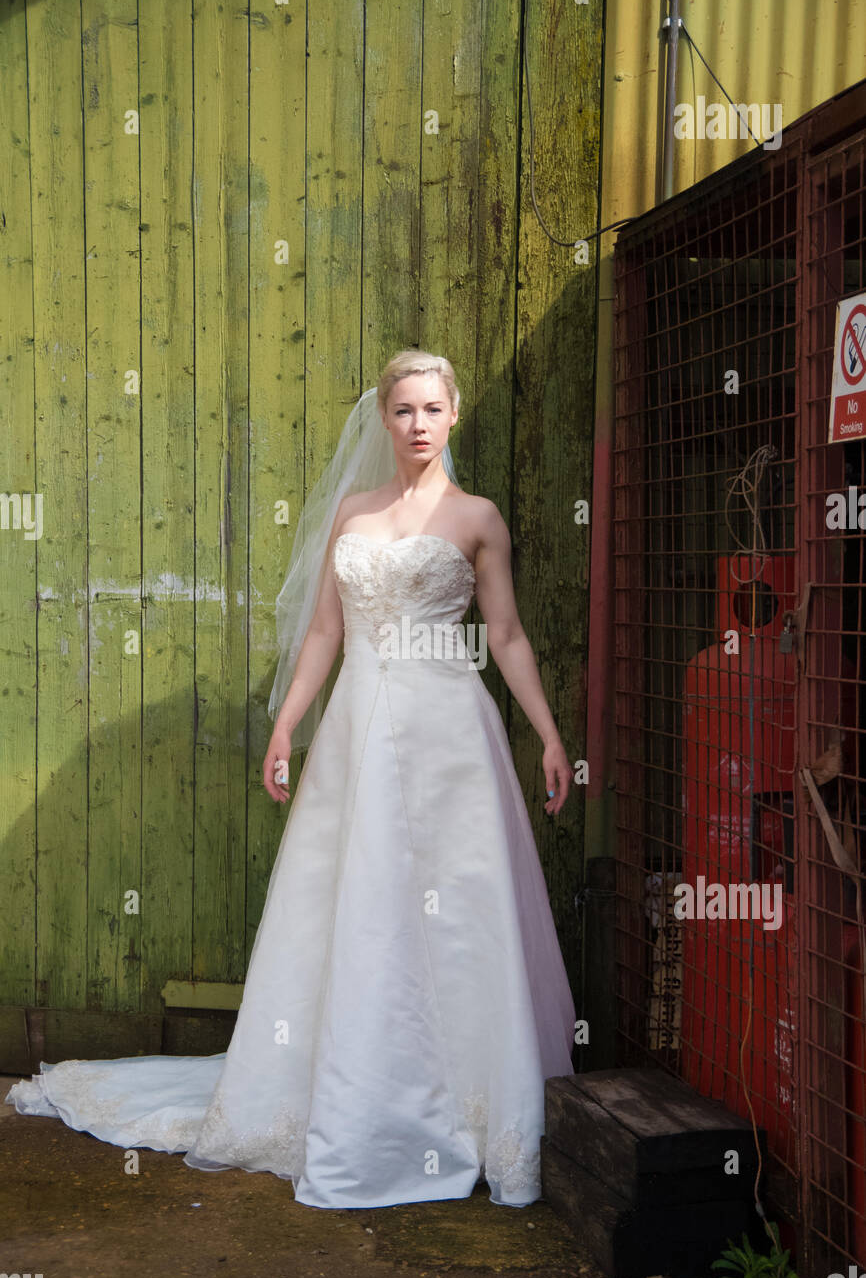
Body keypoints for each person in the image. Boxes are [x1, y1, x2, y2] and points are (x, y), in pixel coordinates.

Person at [6, 348, 576, 1210]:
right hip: (355, 729)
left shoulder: (479, 519)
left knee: (461, 912)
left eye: (431, 409)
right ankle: (355, 1090)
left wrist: (548, 736)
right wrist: (286, 725)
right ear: (384, 420)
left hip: (452, 733)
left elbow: (508, 637)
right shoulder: (353, 512)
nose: (417, 425)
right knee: (360, 902)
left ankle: (472, 1098)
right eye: (403, 411)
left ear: (453, 416)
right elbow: (322, 635)